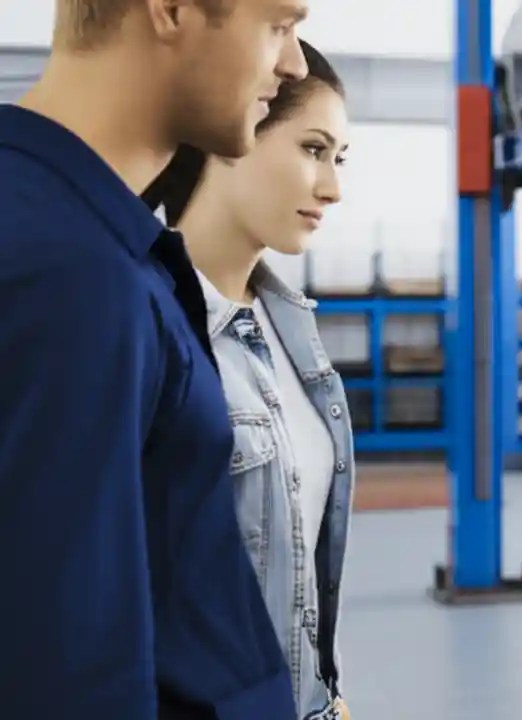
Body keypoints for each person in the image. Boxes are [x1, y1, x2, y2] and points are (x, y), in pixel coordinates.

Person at [0, 1, 310, 718]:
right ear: (171, 9)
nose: (293, 62)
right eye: (279, 26)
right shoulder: (70, 275)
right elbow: (62, 670)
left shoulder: (81, 237)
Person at [142, 39, 355, 720]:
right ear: (237, 128)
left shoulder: (293, 333)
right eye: (313, 150)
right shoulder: (144, 326)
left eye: (339, 159)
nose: (333, 187)